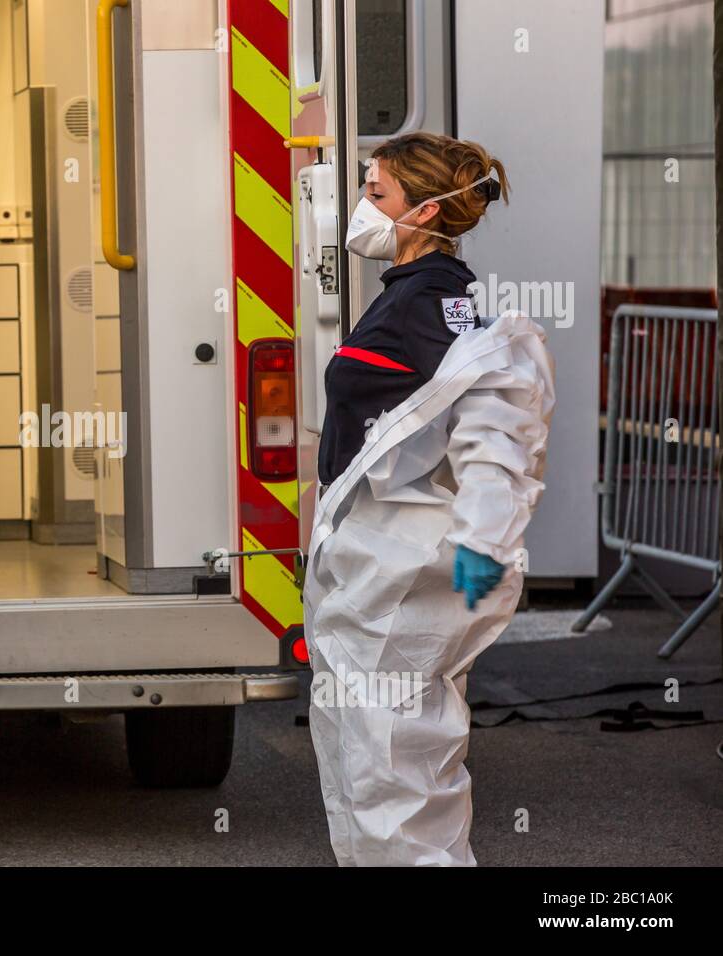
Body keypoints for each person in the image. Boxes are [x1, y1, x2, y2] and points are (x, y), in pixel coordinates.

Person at [304, 132, 555, 866]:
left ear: (426, 211)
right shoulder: (413, 301)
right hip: (374, 571)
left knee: (395, 774)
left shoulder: (430, 308)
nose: (362, 209)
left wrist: (483, 538)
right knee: (367, 767)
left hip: (402, 577)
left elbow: (496, 426)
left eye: (377, 194)